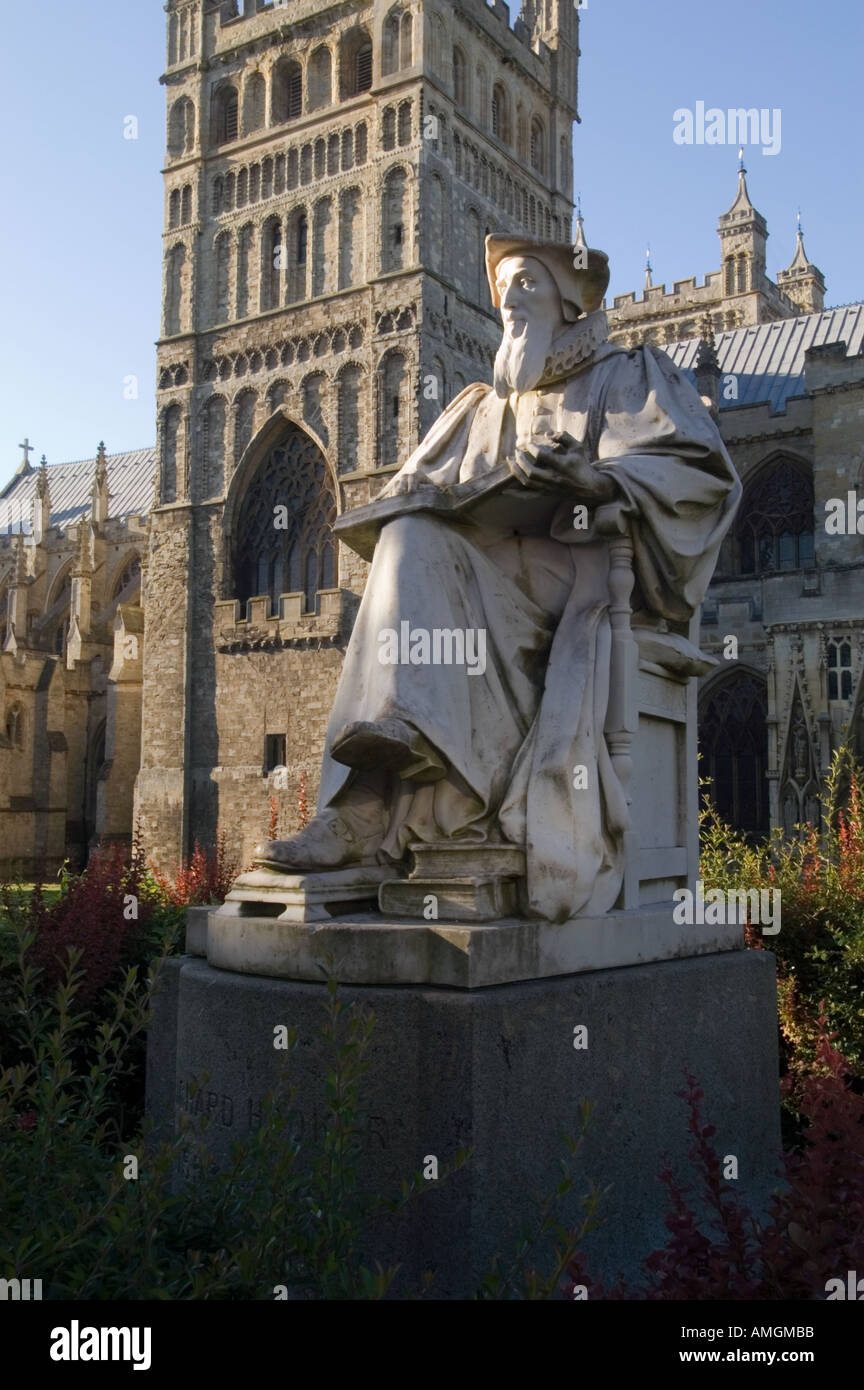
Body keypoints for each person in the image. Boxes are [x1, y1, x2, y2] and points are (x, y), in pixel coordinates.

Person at [254, 234, 741, 922]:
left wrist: (595, 480)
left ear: (569, 302)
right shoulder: (481, 406)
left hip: (584, 585)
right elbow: (404, 496)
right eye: (503, 286)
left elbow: (701, 477)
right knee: (411, 534)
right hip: (485, 585)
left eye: (527, 284)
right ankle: (367, 798)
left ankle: (387, 803)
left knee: (427, 553)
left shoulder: (629, 377)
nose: (509, 299)